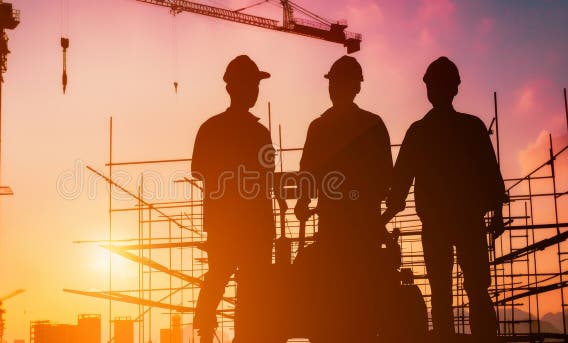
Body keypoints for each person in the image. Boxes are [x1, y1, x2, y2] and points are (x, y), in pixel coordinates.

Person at [383, 56, 505, 342]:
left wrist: (382, 217)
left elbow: (400, 185)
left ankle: (448, 337)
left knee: (444, 290)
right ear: (455, 88)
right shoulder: (470, 127)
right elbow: (490, 174)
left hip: (441, 224)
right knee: (475, 288)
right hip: (466, 222)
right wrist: (497, 212)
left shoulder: (420, 131)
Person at [294, 55, 393, 342]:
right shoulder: (372, 124)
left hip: (335, 226)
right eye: (332, 84)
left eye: (336, 84)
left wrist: (303, 202)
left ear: (353, 88)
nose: (333, 89)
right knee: (360, 298)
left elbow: (308, 172)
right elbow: (386, 176)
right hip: (362, 227)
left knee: (333, 294)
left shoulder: (321, 126)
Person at [191, 55, 276, 343]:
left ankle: (206, 329)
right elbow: (267, 176)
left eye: (256, 85)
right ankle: (234, 334)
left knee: (219, 277)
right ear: (233, 88)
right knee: (249, 287)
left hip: (226, 224)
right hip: (251, 226)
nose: (255, 91)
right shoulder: (258, 133)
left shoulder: (211, 128)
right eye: (251, 85)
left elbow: (198, 170)